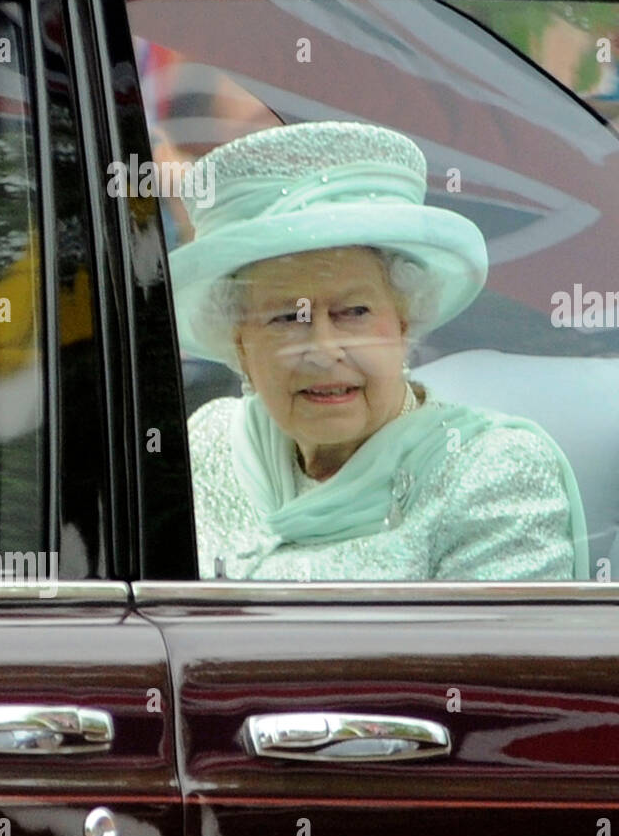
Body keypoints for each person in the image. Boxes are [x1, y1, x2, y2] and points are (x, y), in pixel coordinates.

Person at [169, 120, 589, 582]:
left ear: (404, 322)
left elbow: (495, 655)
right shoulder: (208, 444)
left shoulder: (492, 473)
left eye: (354, 312)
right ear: (240, 345)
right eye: (287, 319)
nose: (324, 351)